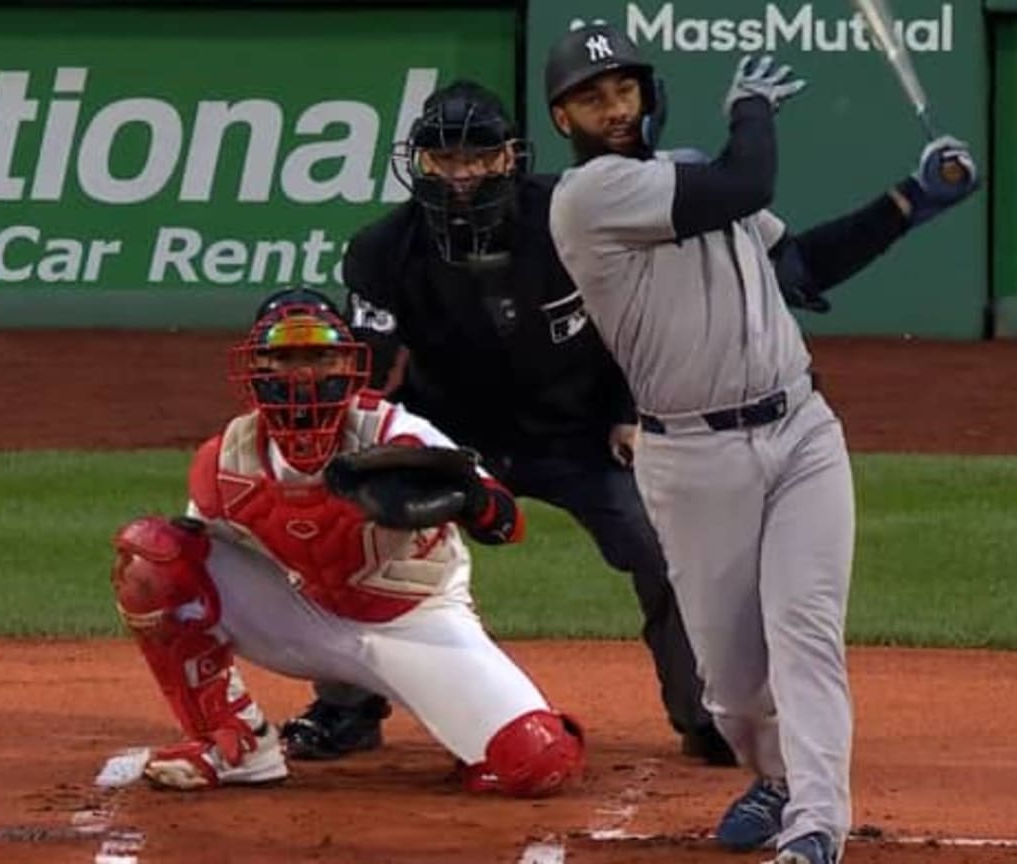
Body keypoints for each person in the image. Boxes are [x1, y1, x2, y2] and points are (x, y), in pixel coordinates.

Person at [542, 23, 979, 864]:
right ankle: (774, 775)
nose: (614, 108)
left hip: (802, 431)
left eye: (624, 89)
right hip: (694, 463)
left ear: (647, 92)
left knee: (806, 629)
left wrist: (908, 203)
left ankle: (816, 826)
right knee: (733, 690)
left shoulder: (696, 180)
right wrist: (751, 111)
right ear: (565, 119)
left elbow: (804, 265)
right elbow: (748, 181)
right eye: (592, 98)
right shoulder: (590, 199)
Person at [276, 79, 735, 769]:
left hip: (578, 433)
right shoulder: (381, 249)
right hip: (450, 438)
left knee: (658, 539)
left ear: (507, 159)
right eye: (444, 161)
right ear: (420, 165)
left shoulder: (568, 218)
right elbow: (368, 368)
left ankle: (704, 716)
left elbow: (639, 320)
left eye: (477, 158)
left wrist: (629, 412)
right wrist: (363, 447)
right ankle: (348, 706)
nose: (461, 176)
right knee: (350, 532)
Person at [107, 287, 584, 797]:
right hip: (304, 620)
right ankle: (236, 745)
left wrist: (469, 498)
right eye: (285, 358)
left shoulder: (397, 431)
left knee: (537, 762)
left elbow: (507, 525)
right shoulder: (227, 459)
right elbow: (190, 570)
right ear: (257, 368)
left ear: (347, 363)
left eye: (318, 356)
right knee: (151, 560)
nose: (303, 374)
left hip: (416, 624)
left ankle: (468, 716)